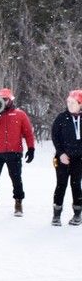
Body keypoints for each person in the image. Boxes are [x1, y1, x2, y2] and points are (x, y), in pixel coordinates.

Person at [0, 87, 35, 218]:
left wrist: (31, 148)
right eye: (1, 99)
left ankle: (18, 202)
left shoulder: (19, 114)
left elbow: (28, 133)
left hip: (14, 152)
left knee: (16, 179)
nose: (3, 102)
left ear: (10, 100)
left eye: (5, 99)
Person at [51, 90, 82, 226]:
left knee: (76, 185)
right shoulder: (62, 118)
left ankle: (77, 214)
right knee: (61, 185)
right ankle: (56, 215)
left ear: (80, 104)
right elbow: (55, 136)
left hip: (78, 159)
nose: (70, 105)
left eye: (73, 102)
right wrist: (61, 153)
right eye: (68, 102)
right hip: (62, 158)